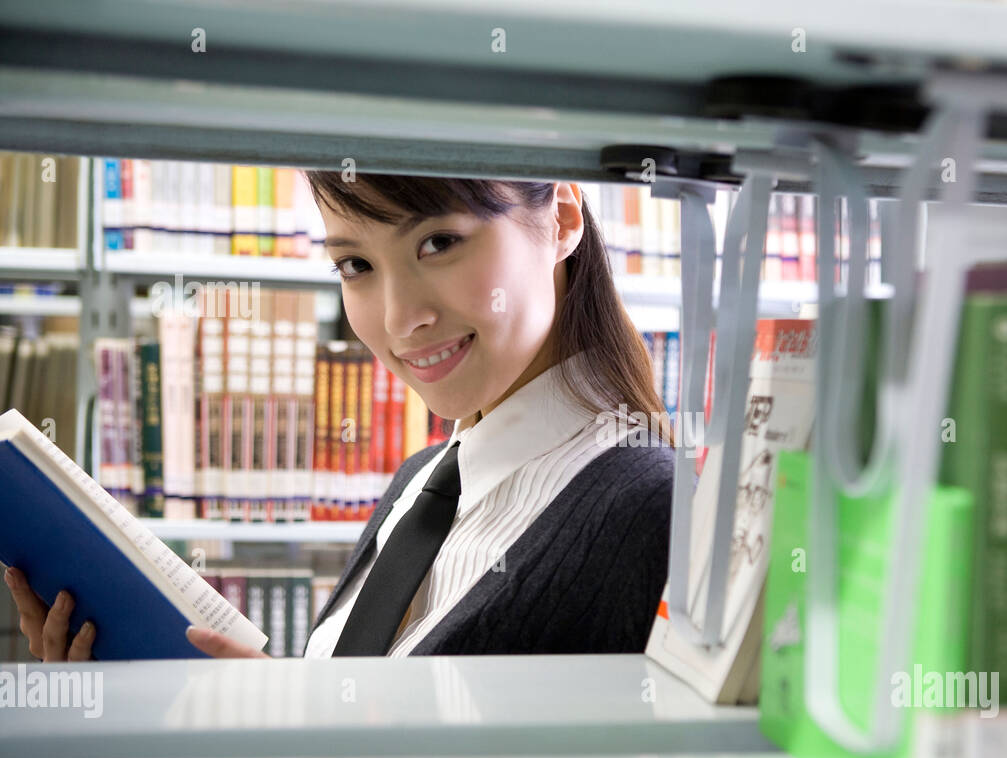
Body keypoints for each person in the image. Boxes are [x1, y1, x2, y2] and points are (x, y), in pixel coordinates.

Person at [6, 173, 677, 660]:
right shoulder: (423, 481)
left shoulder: (656, 506)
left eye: (440, 242)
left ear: (560, 221)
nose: (397, 320)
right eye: (355, 264)